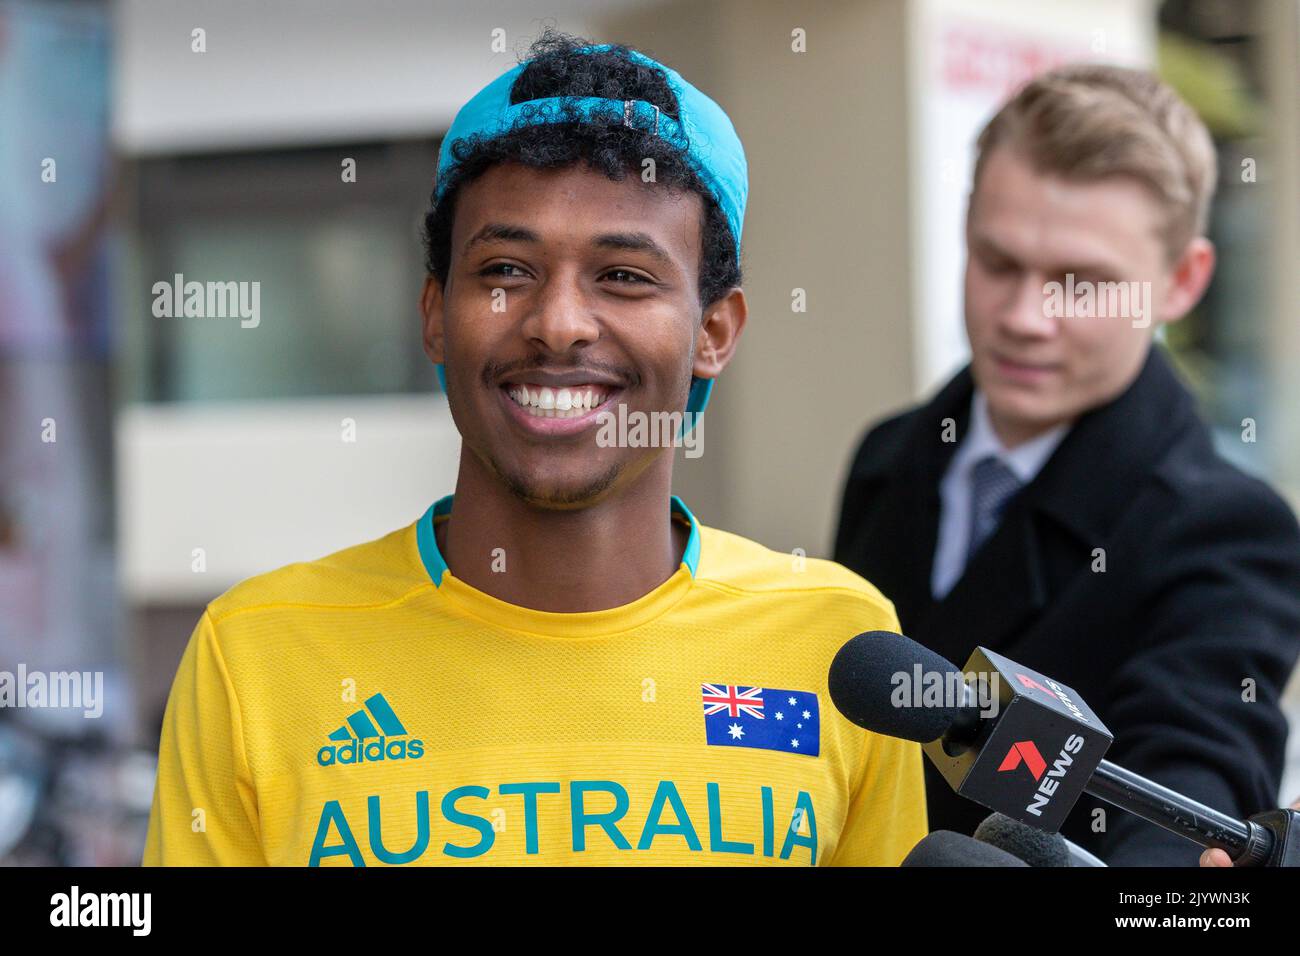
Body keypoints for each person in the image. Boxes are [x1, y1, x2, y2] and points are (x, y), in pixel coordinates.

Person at [142, 31, 927, 867]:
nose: (557, 323)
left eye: (624, 275)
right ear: (436, 314)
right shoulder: (258, 653)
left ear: (714, 331)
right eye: (506, 270)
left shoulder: (840, 644)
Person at [834, 63, 1300, 866]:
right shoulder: (889, 456)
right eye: (998, 263)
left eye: (1080, 285)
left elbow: (1194, 773)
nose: (1023, 319)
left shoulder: (1229, 531)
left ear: (1182, 282)